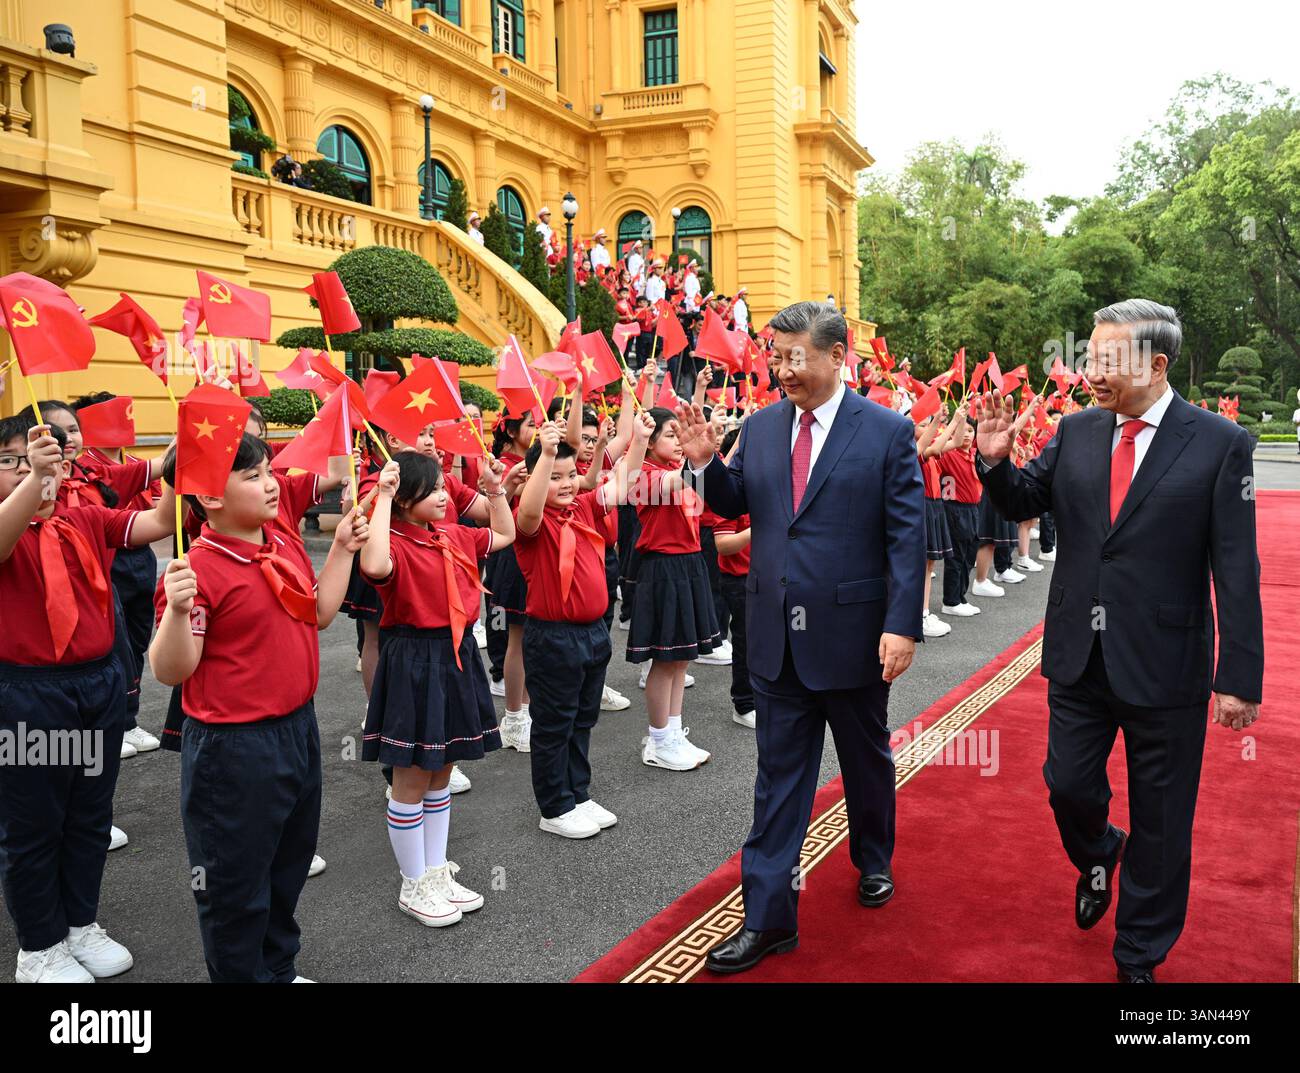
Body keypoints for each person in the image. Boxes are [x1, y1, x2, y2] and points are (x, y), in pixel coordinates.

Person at [973, 298, 1264, 983]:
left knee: (1162, 820)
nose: (1091, 373)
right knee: (1067, 784)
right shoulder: (1074, 432)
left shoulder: (1220, 444)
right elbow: (1022, 501)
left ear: (1157, 364)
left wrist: (1239, 675)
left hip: (1168, 664)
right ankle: (1100, 849)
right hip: (1080, 654)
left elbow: (1238, 566)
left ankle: (1138, 953)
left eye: (1107, 361)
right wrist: (992, 463)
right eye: (1089, 359)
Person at [676, 300, 925, 975]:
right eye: (775, 356)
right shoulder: (758, 428)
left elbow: (907, 537)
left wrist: (904, 623)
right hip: (774, 637)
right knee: (778, 781)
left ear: (838, 354)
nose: (781, 369)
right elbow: (738, 501)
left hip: (855, 636)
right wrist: (705, 466)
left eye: (794, 356)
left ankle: (874, 857)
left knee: (865, 760)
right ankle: (767, 918)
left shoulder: (886, 432)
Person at [151, 434, 366, 982]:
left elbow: (317, 612)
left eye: (268, 470)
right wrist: (177, 612)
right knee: (233, 887)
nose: (271, 483)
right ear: (208, 498)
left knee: (286, 866)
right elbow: (171, 670)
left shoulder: (280, 540)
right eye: (251, 477)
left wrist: (340, 547)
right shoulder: (194, 569)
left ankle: (278, 968)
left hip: (296, 730)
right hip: (233, 751)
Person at [1, 416, 177, 983]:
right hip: (31, 696)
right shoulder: (10, 529)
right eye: (13, 462)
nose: (32, 473)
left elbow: (160, 520)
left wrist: (179, 468)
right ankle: (39, 945)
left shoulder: (82, 516)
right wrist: (36, 479)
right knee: (34, 823)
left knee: (88, 814)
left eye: (40, 462)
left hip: (97, 684)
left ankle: (80, 923)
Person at [358, 451, 512, 926]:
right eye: (434, 489)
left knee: (442, 768)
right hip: (413, 661)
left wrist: (494, 490)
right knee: (410, 775)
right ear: (405, 500)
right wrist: (380, 498)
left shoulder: (454, 534)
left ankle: (435, 870)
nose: (446, 496)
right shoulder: (395, 543)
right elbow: (375, 562)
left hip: (456, 655)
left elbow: (506, 533)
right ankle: (413, 882)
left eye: (446, 487)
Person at [514, 414, 652, 837]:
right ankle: (554, 806)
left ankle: (578, 792)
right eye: (556, 477)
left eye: (571, 474)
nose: (568, 482)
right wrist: (547, 456)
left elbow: (623, 482)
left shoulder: (585, 507)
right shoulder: (533, 525)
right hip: (553, 637)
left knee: (582, 718)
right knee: (555, 722)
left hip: (593, 633)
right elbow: (530, 508)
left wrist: (641, 441)